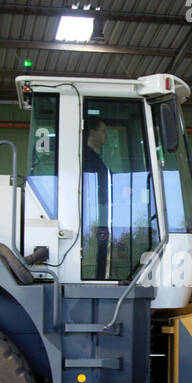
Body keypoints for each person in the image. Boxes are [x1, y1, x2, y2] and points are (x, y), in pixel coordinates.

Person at [83, 116, 111, 278]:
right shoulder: (87, 160)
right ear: (92, 132)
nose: (105, 135)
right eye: (103, 131)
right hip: (93, 216)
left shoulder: (95, 160)